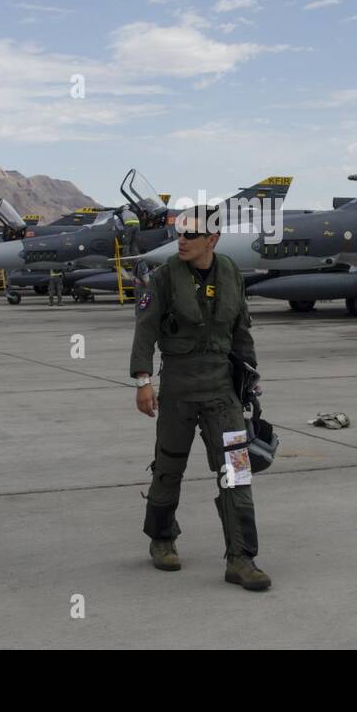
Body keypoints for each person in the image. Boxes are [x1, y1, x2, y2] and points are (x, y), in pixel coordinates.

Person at [130, 204, 270, 591]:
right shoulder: (162, 278)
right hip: (178, 388)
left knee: (237, 471)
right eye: (179, 234)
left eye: (190, 235)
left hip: (223, 391)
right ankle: (162, 539)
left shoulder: (230, 274)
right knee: (169, 467)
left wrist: (251, 376)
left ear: (213, 239)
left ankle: (241, 559)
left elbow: (241, 328)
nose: (182, 241)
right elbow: (145, 330)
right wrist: (142, 381)